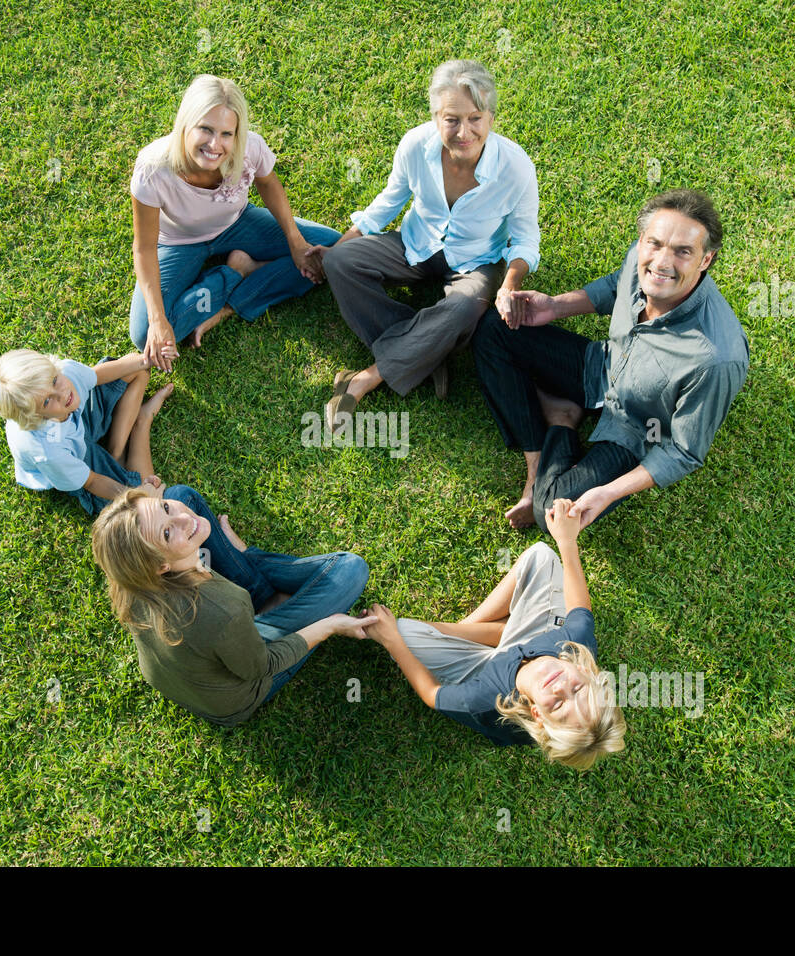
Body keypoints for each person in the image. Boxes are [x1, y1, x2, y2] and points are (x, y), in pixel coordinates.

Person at [473, 188, 750, 530]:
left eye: (683, 252)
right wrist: (556, 306)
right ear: (642, 238)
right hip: (601, 368)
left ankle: (562, 418)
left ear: (705, 259)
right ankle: (536, 458)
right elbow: (615, 286)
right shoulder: (641, 256)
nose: (662, 262)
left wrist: (609, 492)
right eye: (655, 244)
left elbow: (684, 450)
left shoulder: (716, 359)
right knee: (493, 329)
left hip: (635, 428)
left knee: (552, 513)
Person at [314, 59, 539, 419]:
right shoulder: (415, 145)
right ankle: (428, 352)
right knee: (340, 262)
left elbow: (527, 239)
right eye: (451, 119)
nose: (463, 131)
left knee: (466, 307)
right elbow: (391, 199)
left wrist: (508, 285)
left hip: (476, 261)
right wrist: (341, 247)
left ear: (491, 118)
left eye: (475, 119)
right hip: (415, 243)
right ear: (436, 118)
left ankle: (366, 378)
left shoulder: (516, 168)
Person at [358, 499, 625, 769]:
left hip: (481, 672)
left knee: (402, 632)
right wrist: (567, 540)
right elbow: (580, 609)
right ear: (588, 673)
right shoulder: (575, 648)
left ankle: (494, 635)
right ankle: (489, 633)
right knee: (541, 556)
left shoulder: (482, 701)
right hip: (536, 636)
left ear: (537, 714)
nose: (560, 686)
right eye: (577, 688)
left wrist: (390, 638)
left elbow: (431, 694)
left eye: (556, 705)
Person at [91, 486, 376, 727]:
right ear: (160, 566)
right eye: (167, 533)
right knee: (350, 571)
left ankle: (255, 578)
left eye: (165, 506)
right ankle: (249, 561)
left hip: (201, 655)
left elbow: (166, 515)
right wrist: (331, 625)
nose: (181, 517)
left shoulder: (129, 580)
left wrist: (156, 515)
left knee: (182, 494)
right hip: (236, 693)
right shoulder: (222, 608)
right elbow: (263, 665)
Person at [129, 74, 341, 369]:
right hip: (178, 243)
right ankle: (235, 273)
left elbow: (268, 184)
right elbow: (144, 248)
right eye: (205, 129)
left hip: (237, 223)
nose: (216, 145)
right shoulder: (153, 168)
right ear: (185, 125)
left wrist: (295, 242)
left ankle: (234, 295)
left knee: (332, 251)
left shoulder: (249, 148)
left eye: (227, 134)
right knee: (147, 337)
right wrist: (157, 319)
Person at [0, 349, 173, 516]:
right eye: (47, 401)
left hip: (78, 419)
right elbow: (92, 481)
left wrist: (145, 359)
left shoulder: (66, 374)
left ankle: (115, 452)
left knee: (137, 368)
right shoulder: (49, 452)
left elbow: (97, 375)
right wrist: (138, 498)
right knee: (146, 501)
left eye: (55, 381)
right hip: (76, 458)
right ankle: (142, 420)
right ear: (35, 417)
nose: (63, 394)